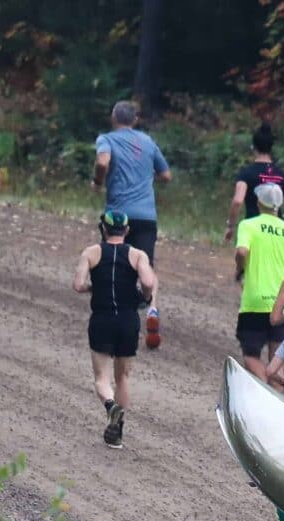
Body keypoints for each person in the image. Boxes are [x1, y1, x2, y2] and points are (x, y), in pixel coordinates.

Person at [72, 208, 154, 448]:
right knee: (123, 377)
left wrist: (93, 288)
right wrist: (144, 297)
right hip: (128, 320)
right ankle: (118, 432)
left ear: (103, 229)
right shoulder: (138, 255)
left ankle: (110, 406)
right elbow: (149, 282)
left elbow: (77, 285)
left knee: (101, 378)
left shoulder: (91, 252)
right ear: (127, 230)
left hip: (102, 318)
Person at [92, 101, 169, 346]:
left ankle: (118, 312)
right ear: (135, 120)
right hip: (146, 215)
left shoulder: (107, 139)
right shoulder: (148, 142)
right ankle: (153, 309)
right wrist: (147, 176)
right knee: (146, 264)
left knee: (114, 262)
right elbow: (166, 175)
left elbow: (103, 162)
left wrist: (98, 182)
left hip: (118, 214)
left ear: (113, 117)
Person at [232, 180, 284, 375]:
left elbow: (242, 252)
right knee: (276, 361)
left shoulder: (248, 225)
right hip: (283, 306)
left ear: (260, 203)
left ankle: (263, 387)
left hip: (255, 301)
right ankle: (277, 393)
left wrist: (239, 269)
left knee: (251, 355)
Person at [222, 121, 284, 237]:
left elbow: (238, 201)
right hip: (276, 233)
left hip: (253, 231)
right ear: (271, 148)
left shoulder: (246, 173)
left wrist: (230, 226)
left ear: (254, 147)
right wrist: (283, 219)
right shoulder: (281, 174)